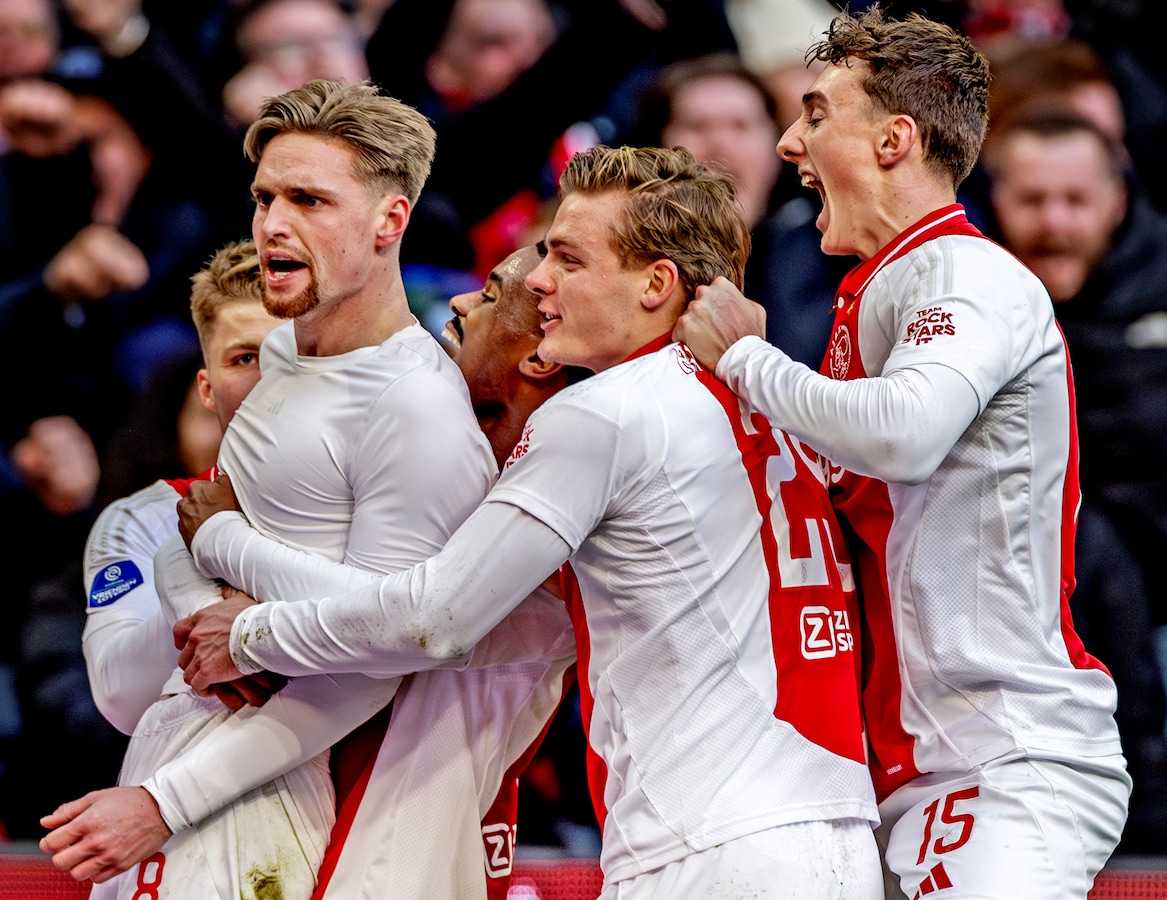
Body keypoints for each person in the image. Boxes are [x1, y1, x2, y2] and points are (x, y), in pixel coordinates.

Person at [170, 144, 882, 899]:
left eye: (568, 261)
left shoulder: (607, 412)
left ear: (655, 284)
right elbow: (498, 627)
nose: (539, 282)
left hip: (706, 843)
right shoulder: (771, 402)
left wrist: (240, 604)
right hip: (828, 829)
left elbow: (432, 621)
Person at [40, 79, 573, 900]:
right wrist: (201, 601)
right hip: (177, 748)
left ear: (389, 221)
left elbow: (378, 659)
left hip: (250, 794)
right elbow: (201, 525)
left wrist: (162, 801)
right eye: (264, 198)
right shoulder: (285, 353)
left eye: (310, 200)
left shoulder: (415, 405)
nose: (274, 225)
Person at [670, 7, 1130, 898]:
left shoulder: (966, 275)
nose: (789, 141)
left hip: (1004, 760)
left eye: (814, 114)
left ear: (893, 139)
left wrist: (744, 358)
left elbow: (903, 432)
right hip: (901, 766)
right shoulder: (881, 292)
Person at [984, 107, 1167, 855]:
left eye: (1074, 200)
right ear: (994, 201)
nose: (1052, 222)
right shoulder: (962, 299)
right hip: (1015, 587)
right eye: (1031, 201)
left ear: (1116, 200)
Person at [82, 237, 283, 736]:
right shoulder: (143, 516)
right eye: (244, 358)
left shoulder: (378, 491)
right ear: (208, 389)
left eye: (290, 353)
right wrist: (199, 591)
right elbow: (119, 700)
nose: (270, 378)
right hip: (191, 793)